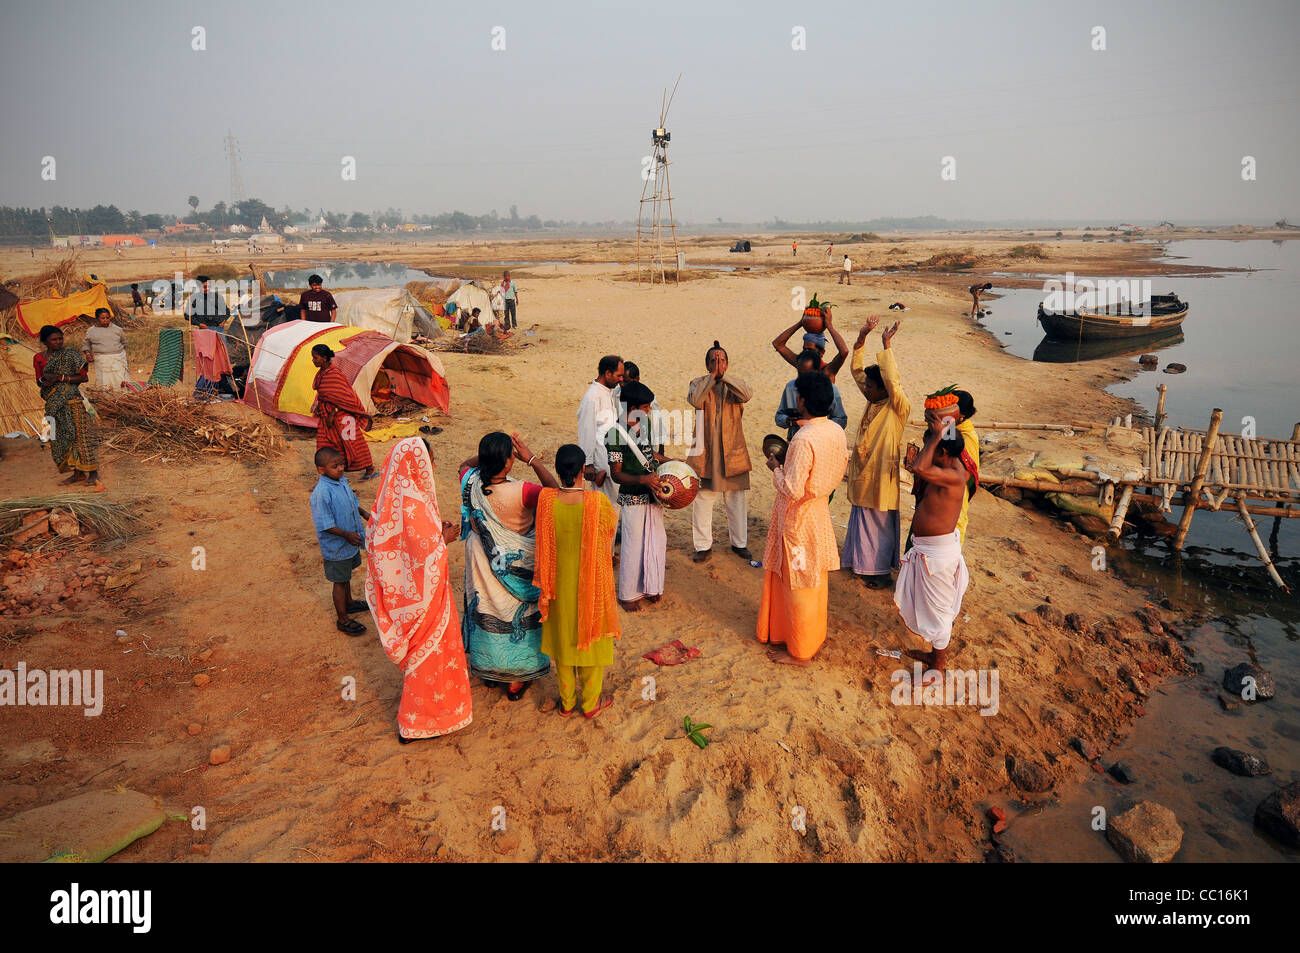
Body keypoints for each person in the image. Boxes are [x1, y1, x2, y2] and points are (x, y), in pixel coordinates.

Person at [366, 437, 473, 742]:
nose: (434, 465)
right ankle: (418, 723)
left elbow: (396, 546)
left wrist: (437, 533)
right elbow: (426, 552)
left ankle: (429, 717)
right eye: (430, 460)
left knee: (431, 657)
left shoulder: (391, 497)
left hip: (408, 596)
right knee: (430, 659)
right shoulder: (413, 501)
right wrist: (446, 539)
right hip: (426, 600)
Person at [458, 431, 558, 701]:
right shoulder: (522, 490)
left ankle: (490, 670)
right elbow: (556, 493)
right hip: (517, 564)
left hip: (482, 558)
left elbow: (464, 466)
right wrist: (532, 459)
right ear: (508, 462)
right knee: (518, 618)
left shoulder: (470, 481)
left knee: (488, 609)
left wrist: (490, 455)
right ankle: (516, 679)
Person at [756, 372, 849, 665]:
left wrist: (776, 468)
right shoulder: (836, 431)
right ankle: (809, 636)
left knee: (798, 582)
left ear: (803, 401)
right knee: (814, 580)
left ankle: (800, 650)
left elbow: (793, 488)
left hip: (799, 519)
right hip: (819, 512)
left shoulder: (803, 438)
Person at [533, 444, 620, 718]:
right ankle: (590, 703)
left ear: (559, 471)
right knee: (591, 642)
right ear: (584, 470)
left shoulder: (546, 501)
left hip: (557, 585)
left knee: (563, 643)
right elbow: (609, 537)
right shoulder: (597, 503)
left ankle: (567, 702)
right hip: (590, 584)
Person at [895, 417, 971, 671]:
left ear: (944, 451)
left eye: (932, 447)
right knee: (934, 606)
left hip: (938, 555)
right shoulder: (948, 467)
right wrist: (936, 435)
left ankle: (938, 665)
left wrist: (937, 436)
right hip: (931, 549)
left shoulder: (955, 475)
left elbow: (918, 468)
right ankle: (934, 656)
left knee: (938, 611)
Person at [844, 317, 909, 588]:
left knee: (879, 524)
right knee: (862, 519)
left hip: (882, 477)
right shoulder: (874, 398)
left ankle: (880, 572)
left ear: (884, 388)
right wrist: (861, 338)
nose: (866, 389)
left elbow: (893, 380)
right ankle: (861, 564)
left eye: (871, 386)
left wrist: (886, 344)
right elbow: (858, 372)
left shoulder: (897, 406)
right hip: (863, 473)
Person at [685, 341, 753, 563]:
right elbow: (696, 401)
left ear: (728, 363)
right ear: (706, 364)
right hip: (705, 452)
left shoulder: (735, 385)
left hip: (733, 451)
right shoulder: (697, 384)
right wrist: (712, 378)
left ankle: (739, 543)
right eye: (713, 361)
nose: (718, 364)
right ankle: (703, 546)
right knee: (703, 498)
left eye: (722, 360)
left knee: (736, 499)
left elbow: (746, 395)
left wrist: (723, 377)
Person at [606, 381, 670, 610]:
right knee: (633, 546)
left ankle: (651, 586)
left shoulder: (647, 425)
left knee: (655, 541)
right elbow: (616, 475)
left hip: (652, 494)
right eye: (644, 407)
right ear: (631, 407)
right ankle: (627, 595)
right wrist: (643, 479)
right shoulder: (614, 434)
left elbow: (650, 453)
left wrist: (669, 461)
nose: (648, 411)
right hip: (633, 496)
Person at [310, 447, 372, 636]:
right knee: (339, 581)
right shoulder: (322, 493)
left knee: (346, 577)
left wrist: (362, 512)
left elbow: (351, 502)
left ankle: (350, 603)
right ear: (322, 470)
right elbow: (324, 524)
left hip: (349, 542)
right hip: (337, 547)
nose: (340, 468)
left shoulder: (341, 482)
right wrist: (345, 534)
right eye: (334, 466)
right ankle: (342, 619)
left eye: (341, 464)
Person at [35, 325, 103, 490]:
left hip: (72, 400)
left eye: (60, 338)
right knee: (62, 438)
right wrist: (45, 380)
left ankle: (93, 473)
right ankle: (77, 473)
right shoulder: (39, 358)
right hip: (54, 403)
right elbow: (38, 380)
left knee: (81, 437)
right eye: (54, 339)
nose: (58, 342)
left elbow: (83, 378)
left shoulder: (70, 355)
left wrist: (61, 378)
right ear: (45, 341)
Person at [310, 344, 375, 479]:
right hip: (326, 417)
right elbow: (325, 395)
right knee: (326, 445)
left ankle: (369, 468)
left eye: (315, 358)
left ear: (324, 358)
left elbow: (346, 397)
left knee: (353, 443)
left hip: (342, 416)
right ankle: (330, 475)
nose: (313, 361)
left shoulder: (334, 374)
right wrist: (319, 406)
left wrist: (333, 412)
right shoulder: (322, 374)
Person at [577, 355, 623, 507]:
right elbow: (586, 430)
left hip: (612, 458)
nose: (621, 380)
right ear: (607, 373)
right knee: (605, 506)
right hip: (600, 460)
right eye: (619, 375)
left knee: (614, 503)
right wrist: (588, 463)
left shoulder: (609, 391)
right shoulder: (592, 396)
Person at [775, 349, 847, 438]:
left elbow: (841, 419)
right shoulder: (791, 387)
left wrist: (820, 425)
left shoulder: (830, 389)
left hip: (821, 439)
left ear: (817, 371)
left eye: (808, 374)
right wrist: (788, 420)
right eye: (800, 374)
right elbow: (779, 416)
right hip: (795, 438)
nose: (803, 379)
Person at [772, 307, 848, 379]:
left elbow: (844, 352)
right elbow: (778, 344)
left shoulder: (826, 371)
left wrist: (829, 326)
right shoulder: (801, 363)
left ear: (822, 353)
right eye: (804, 349)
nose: (806, 352)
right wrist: (801, 322)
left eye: (810, 350)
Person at [953, 389, 980, 543]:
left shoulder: (967, 437)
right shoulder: (952, 428)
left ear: (961, 415)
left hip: (957, 490)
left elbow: (967, 472)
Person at [81, 307, 129, 391]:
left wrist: (117, 353)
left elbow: (124, 342)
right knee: (105, 381)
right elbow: (86, 344)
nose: (105, 320)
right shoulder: (91, 331)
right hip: (101, 360)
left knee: (121, 380)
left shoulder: (117, 329)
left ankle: (123, 398)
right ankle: (108, 399)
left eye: (107, 318)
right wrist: (88, 354)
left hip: (118, 359)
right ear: (97, 319)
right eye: (102, 318)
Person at [623, 361, 663, 454]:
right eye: (621, 381)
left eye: (626, 381)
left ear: (637, 379)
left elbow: (658, 425)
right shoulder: (616, 393)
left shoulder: (648, 398)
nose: (622, 384)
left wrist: (661, 455)